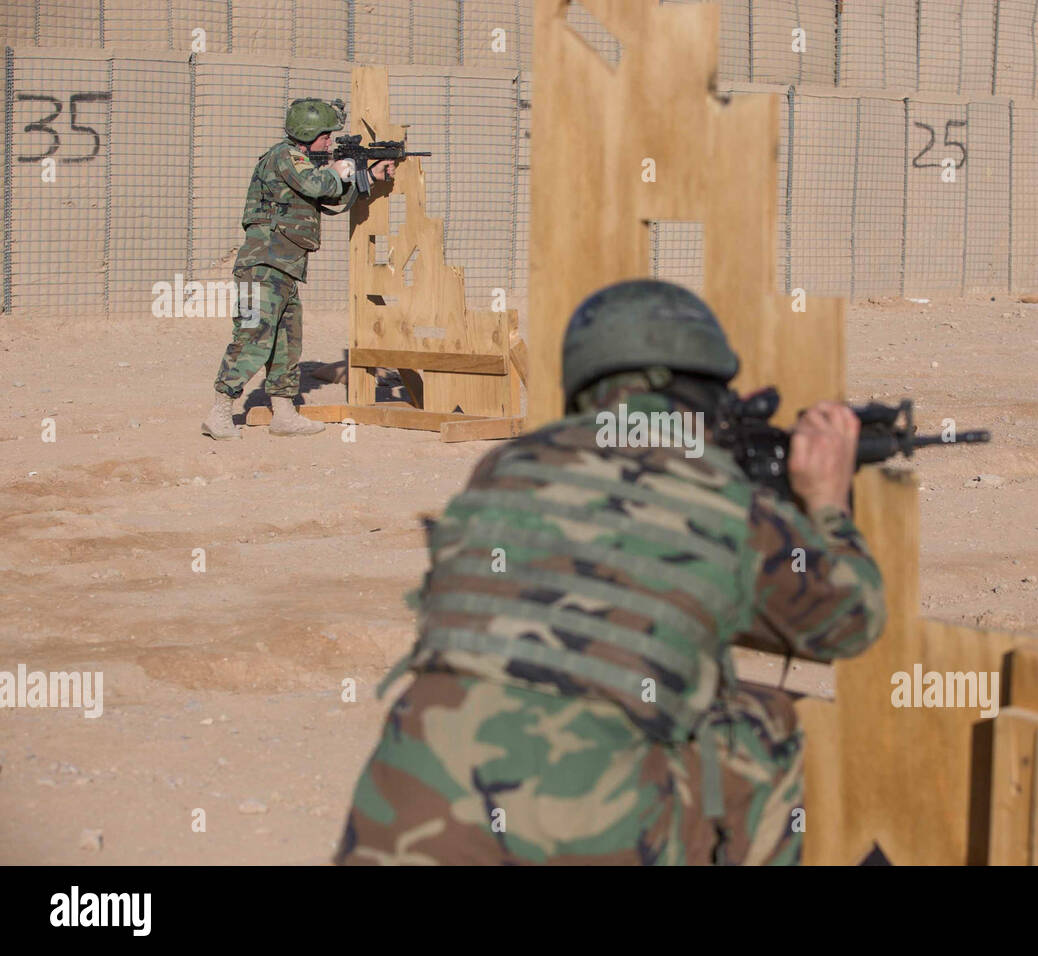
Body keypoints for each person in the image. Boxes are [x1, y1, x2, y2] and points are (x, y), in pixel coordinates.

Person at [334, 279, 886, 865]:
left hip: (401, 815)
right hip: (584, 828)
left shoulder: (506, 465)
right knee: (768, 727)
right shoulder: (720, 498)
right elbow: (850, 622)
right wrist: (826, 503)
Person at [201, 97, 394, 439]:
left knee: (288, 343)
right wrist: (340, 169)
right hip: (263, 266)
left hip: (287, 268)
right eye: (325, 135)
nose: (329, 142)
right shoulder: (284, 157)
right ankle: (219, 412)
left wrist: (369, 176)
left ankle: (284, 414)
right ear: (308, 133)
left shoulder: (304, 163)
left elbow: (331, 198)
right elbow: (317, 185)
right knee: (253, 337)